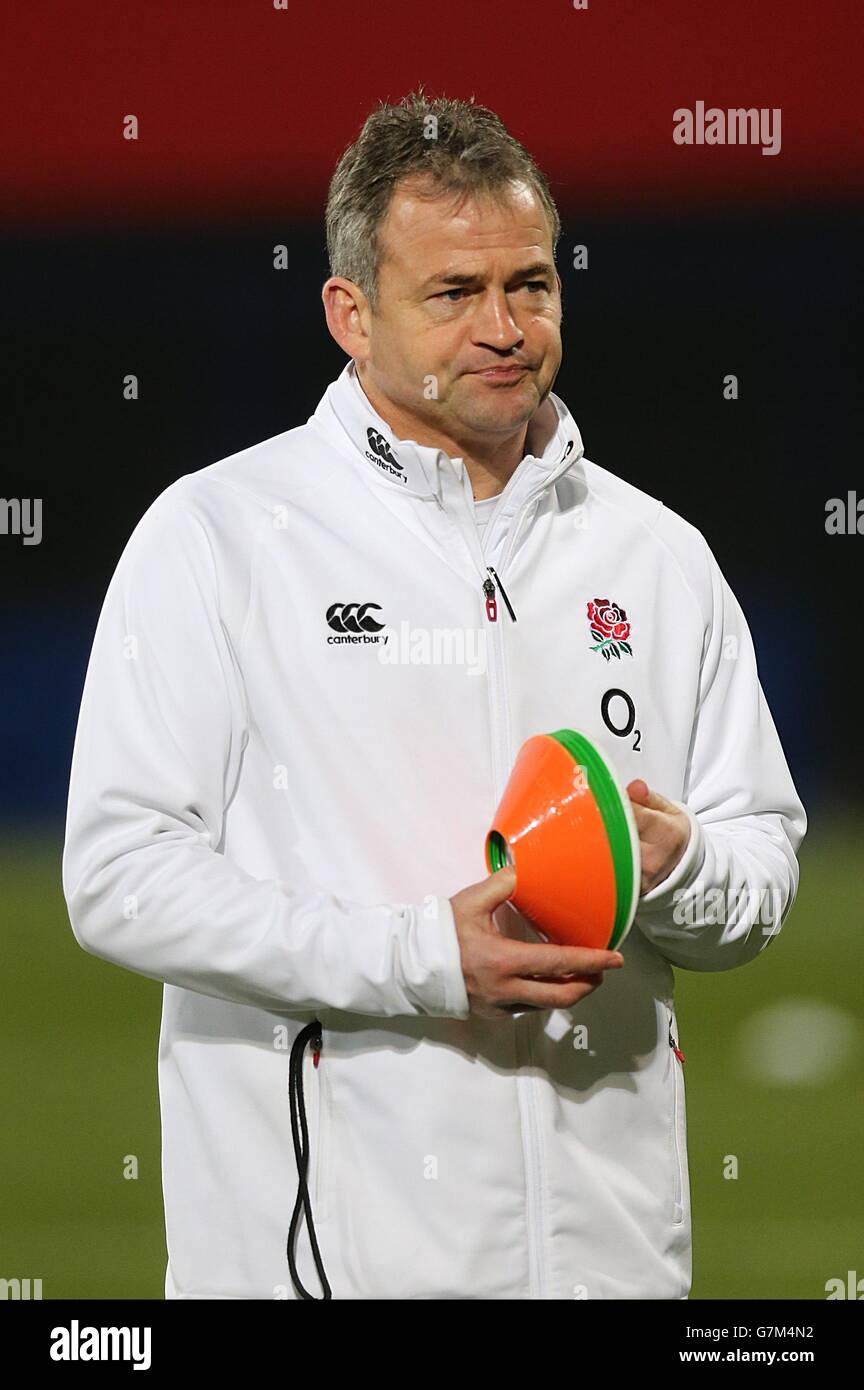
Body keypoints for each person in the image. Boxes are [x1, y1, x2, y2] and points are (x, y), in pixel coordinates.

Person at [62, 89, 806, 1300]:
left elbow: (760, 869)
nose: (505, 327)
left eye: (532, 284)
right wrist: (416, 955)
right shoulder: (221, 536)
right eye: (454, 294)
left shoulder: (656, 554)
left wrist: (671, 867)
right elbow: (119, 875)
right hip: (326, 1267)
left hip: (614, 1267)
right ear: (349, 315)